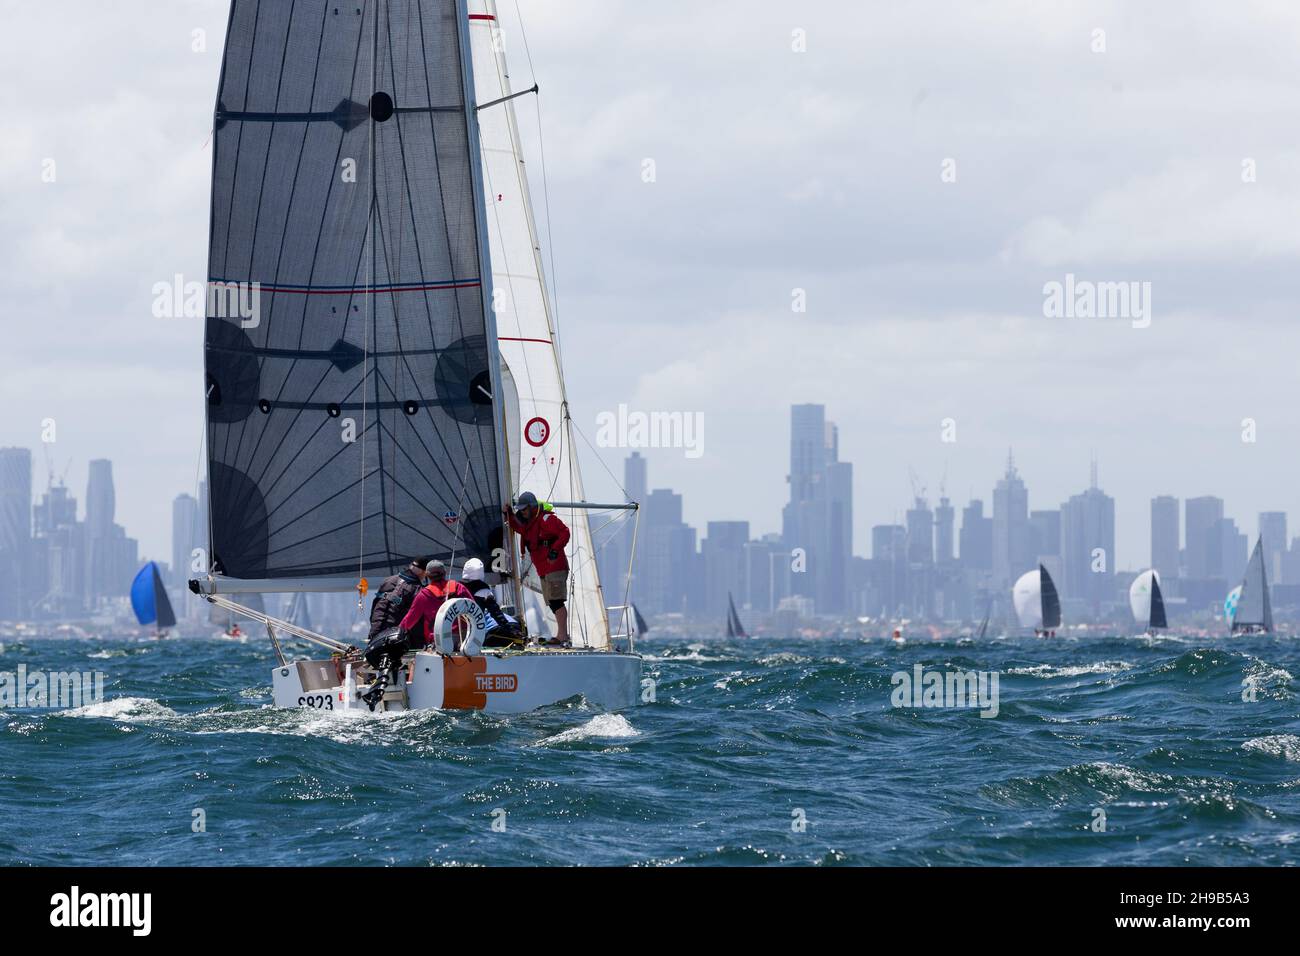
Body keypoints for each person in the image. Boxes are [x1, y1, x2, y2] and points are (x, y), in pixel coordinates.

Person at [504, 491, 571, 646]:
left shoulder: (547, 519)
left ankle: (562, 636)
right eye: (520, 510)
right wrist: (509, 515)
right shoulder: (529, 524)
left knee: (557, 601)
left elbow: (565, 532)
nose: (522, 512)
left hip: (555, 566)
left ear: (533, 507)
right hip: (544, 569)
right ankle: (562, 635)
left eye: (524, 509)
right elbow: (518, 528)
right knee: (553, 602)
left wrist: (554, 550)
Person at [399, 559, 473, 650]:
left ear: (428, 575)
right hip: (464, 641)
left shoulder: (423, 594)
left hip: (439, 642)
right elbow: (473, 608)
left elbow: (410, 619)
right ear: (444, 573)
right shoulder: (459, 587)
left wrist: (398, 632)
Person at [461, 558, 525, 648]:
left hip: (471, 631)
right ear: (481, 573)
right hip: (499, 628)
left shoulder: (458, 589)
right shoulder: (484, 590)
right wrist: (509, 629)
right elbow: (495, 612)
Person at [368, 556, 429, 642]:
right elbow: (417, 618)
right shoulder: (417, 590)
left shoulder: (388, 580)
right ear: (423, 572)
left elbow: (375, 604)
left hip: (376, 630)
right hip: (393, 637)